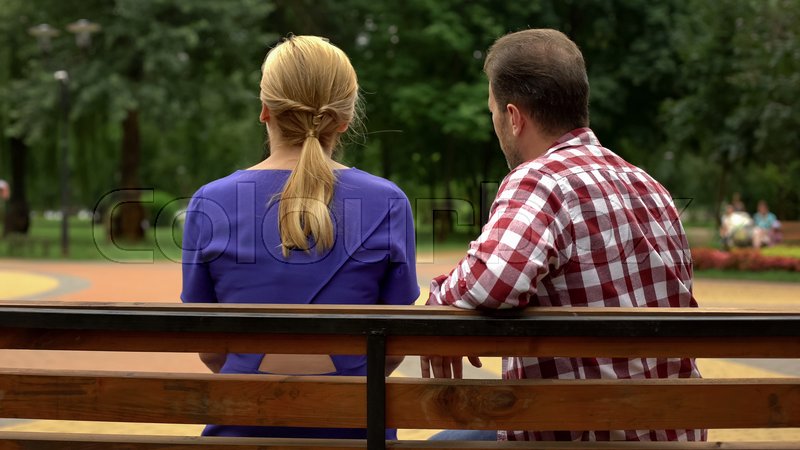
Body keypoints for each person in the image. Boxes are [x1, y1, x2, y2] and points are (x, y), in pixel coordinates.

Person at [422, 29, 704, 442]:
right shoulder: (649, 185)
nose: (496, 125)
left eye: (494, 113)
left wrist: (439, 301)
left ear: (514, 117)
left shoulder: (539, 180)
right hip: (670, 433)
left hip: (583, 436)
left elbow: (493, 281)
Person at [181, 35, 419, 439]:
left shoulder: (211, 201)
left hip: (242, 427)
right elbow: (393, 346)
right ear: (343, 120)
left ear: (264, 111)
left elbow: (209, 349)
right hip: (355, 428)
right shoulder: (389, 202)